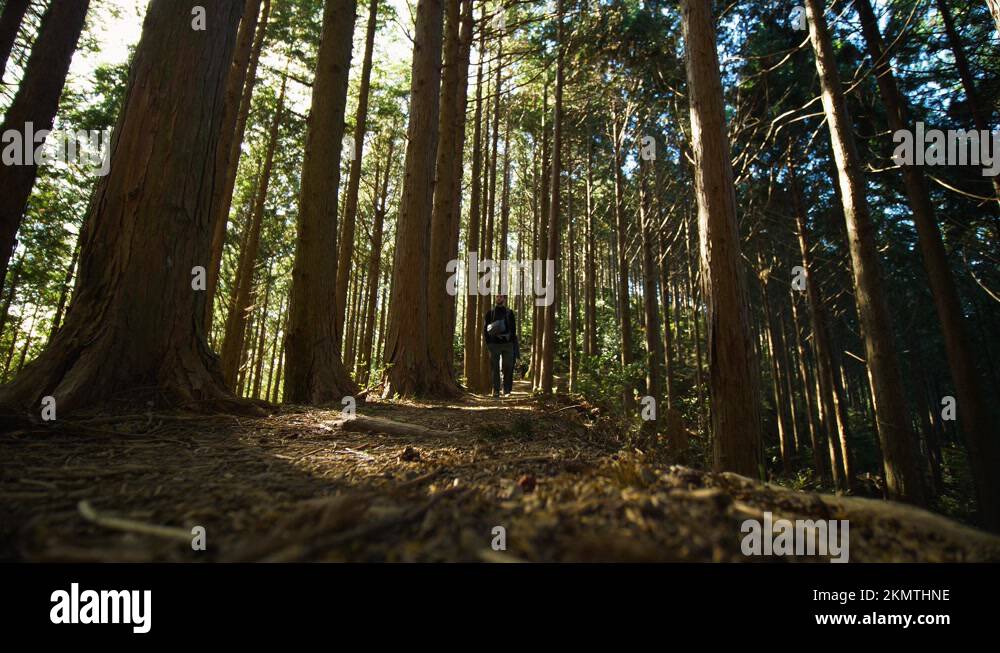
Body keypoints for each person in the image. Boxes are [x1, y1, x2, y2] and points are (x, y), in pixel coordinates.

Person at [483, 294, 518, 398]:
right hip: (494, 345)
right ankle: (496, 390)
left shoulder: (509, 313)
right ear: (495, 298)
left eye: (501, 297)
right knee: (495, 368)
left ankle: (507, 389)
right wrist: (488, 343)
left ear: (504, 299)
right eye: (497, 296)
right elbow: (485, 329)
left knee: (508, 366)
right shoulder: (490, 313)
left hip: (507, 344)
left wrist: (511, 341)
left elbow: (513, 329)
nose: (499, 298)